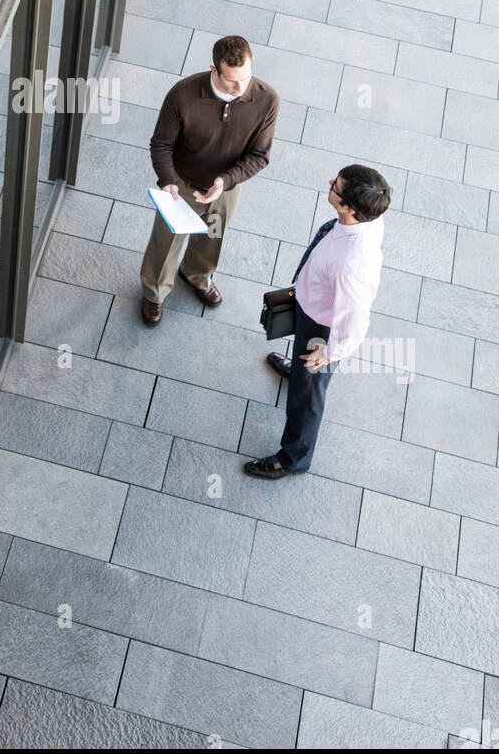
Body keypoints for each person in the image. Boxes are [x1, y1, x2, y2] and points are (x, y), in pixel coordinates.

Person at [244, 165, 392, 479]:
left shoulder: (353, 265)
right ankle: (297, 370)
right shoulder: (369, 215)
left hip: (322, 329)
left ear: (350, 208)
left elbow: (354, 321)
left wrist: (328, 353)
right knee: (303, 371)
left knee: (307, 395)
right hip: (313, 303)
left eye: (336, 186)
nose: (330, 183)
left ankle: (294, 458)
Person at [140, 35, 279, 326]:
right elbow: (161, 143)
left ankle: (197, 275)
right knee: (166, 243)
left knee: (212, 237)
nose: (241, 89)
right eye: (232, 81)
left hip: (225, 188)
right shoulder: (183, 95)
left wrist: (225, 181)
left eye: (246, 77)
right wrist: (168, 181)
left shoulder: (266, 99)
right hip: (182, 184)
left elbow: (259, 156)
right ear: (214, 70)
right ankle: (154, 292)